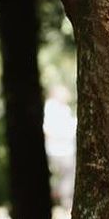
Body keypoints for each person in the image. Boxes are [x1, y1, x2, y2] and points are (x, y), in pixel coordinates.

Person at [43, 83, 76, 211]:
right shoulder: (51, 107)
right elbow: (48, 129)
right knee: (64, 176)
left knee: (67, 176)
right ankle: (64, 202)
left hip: (66, 149)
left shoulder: (64, 108)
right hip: (57, 149)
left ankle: (65, 201)